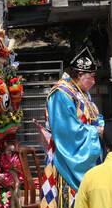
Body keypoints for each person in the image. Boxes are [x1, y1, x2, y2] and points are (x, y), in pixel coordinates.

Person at [44, 47, 104, 196]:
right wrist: (95, 132)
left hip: (87, 154)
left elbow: (95, 118)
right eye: (91, 76)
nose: (94, 81)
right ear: (80, 74)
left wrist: (102, 127)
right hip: (67, 160)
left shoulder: (81, 93)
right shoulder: (62, 93)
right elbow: (67, 132)